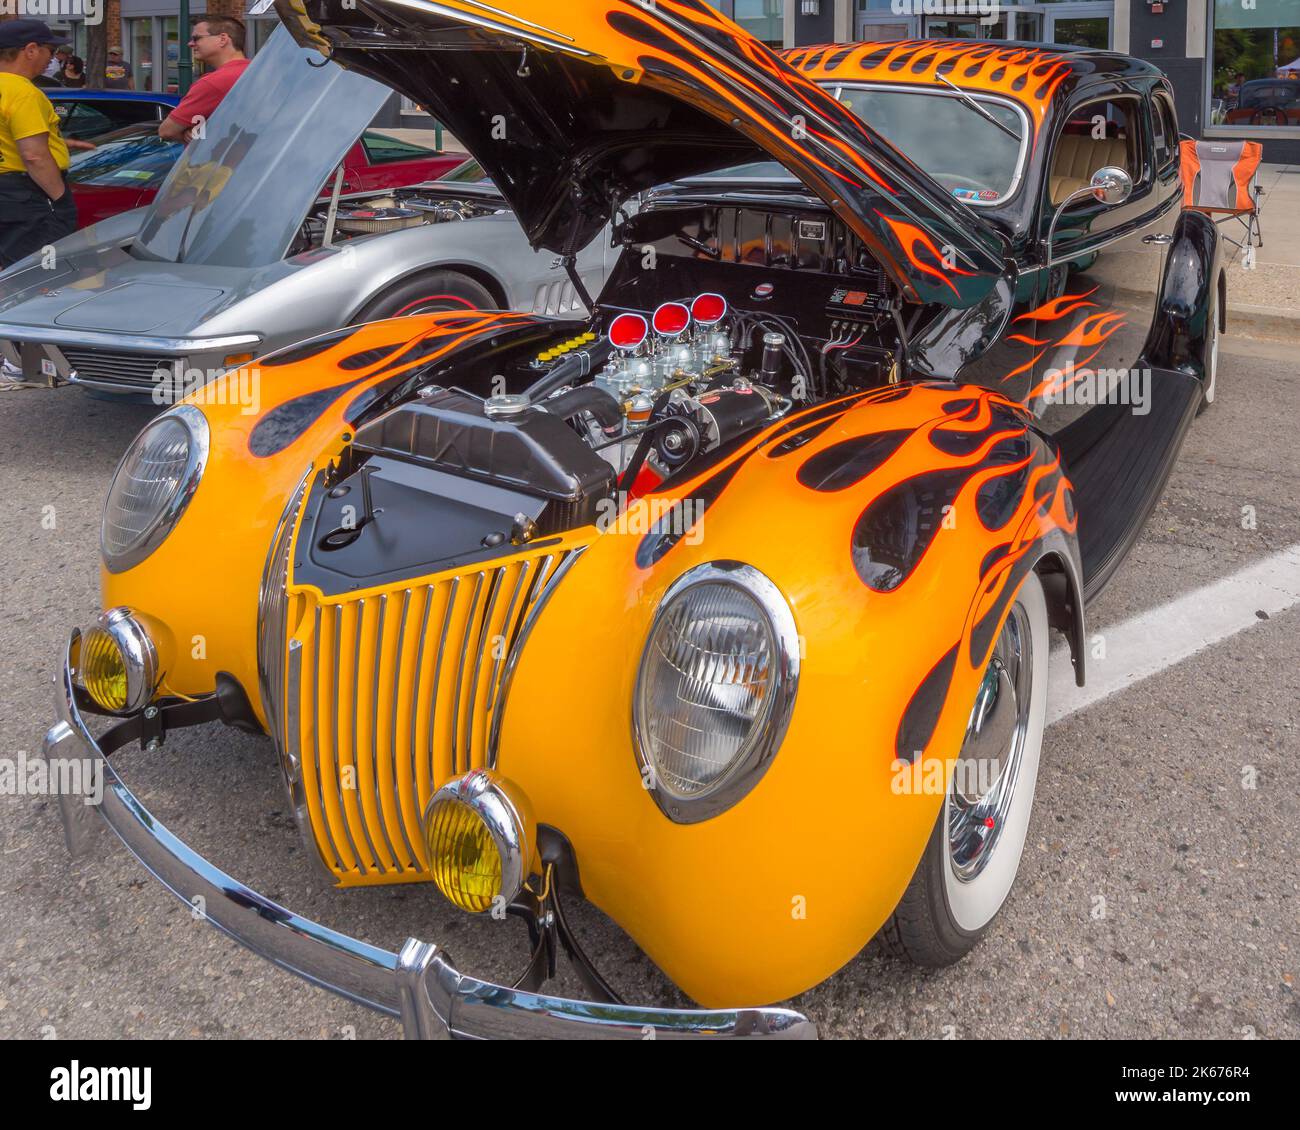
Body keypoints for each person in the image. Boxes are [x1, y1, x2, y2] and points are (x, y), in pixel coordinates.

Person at [0, 20, 95, 385]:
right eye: (49, 50)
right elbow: (35, 156)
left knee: (10, 275)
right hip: (27, 195)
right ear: (30, 50)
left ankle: (15, 356)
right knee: (36, 277)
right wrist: (59, 199)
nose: (52, 59)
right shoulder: (22, 91)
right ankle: (24, 363)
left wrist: (62, 143)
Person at [159, 17, 249, 143]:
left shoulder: (213, 82)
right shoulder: (259, 71)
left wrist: (189, 133)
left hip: (218, 161)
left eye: (196, 38)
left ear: (223, 39)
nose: (190, 44)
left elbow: (166, 131)